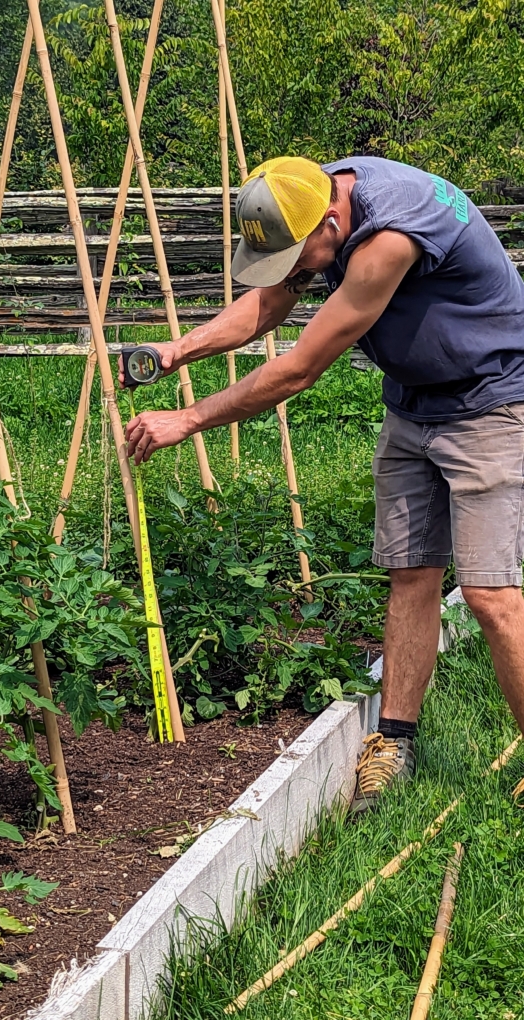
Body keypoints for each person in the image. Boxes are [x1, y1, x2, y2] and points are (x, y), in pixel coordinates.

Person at [120, 155, 524, 813]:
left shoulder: (389, 235)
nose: (293, 274)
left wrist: (189, 417)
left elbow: (299, 368)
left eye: (297, 258)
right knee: (412, 572)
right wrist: (175, 352)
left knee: (487, 593)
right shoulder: (311, 196)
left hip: (491, 401)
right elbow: (267, 303)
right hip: (415, 400)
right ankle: (393, 742)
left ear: (332, 224)